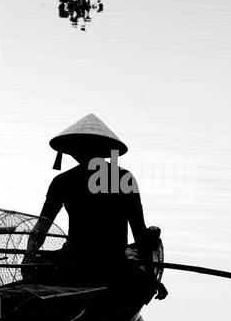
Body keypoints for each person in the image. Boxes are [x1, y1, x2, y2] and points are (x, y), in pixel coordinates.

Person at [25, 114, 168, 300]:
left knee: (42, 263)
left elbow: (40, 230)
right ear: (106, 151)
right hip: (113, 266)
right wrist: (151, 278)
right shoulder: (124, 179)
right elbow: (139, 234)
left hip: (74, 264)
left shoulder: (62, 181)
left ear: (74, 152)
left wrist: (27, 260)